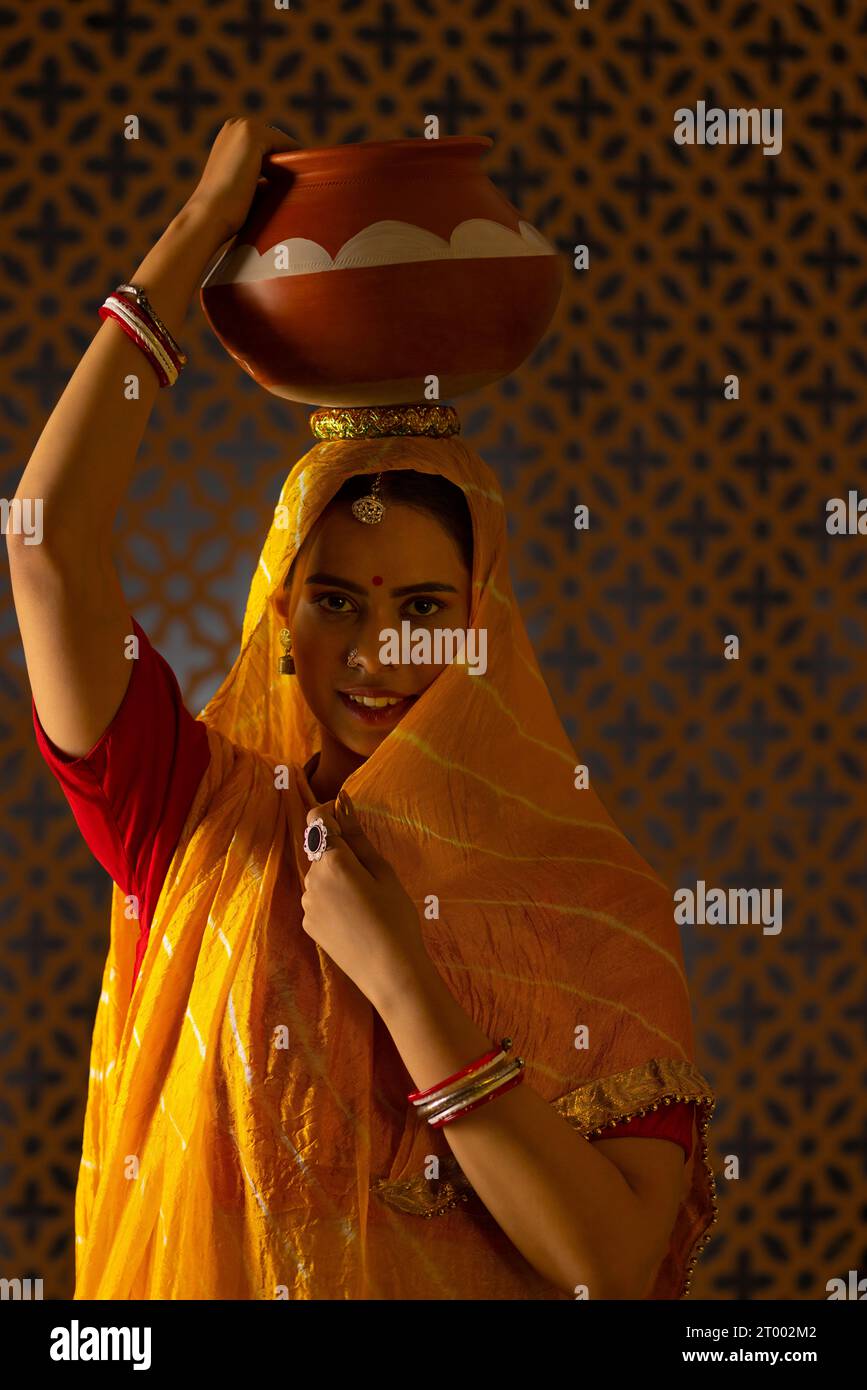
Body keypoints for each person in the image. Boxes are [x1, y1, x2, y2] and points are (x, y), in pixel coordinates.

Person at [6, 118, 718, 1299]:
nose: (377, 652)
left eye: (426, 603)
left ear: (482, 626)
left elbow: (610, 1262)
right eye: (335, 597)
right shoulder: (191, 818)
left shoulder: (591, 905)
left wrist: (403, 981)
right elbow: (43, 547)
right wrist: (194, 232)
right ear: (280, 616)